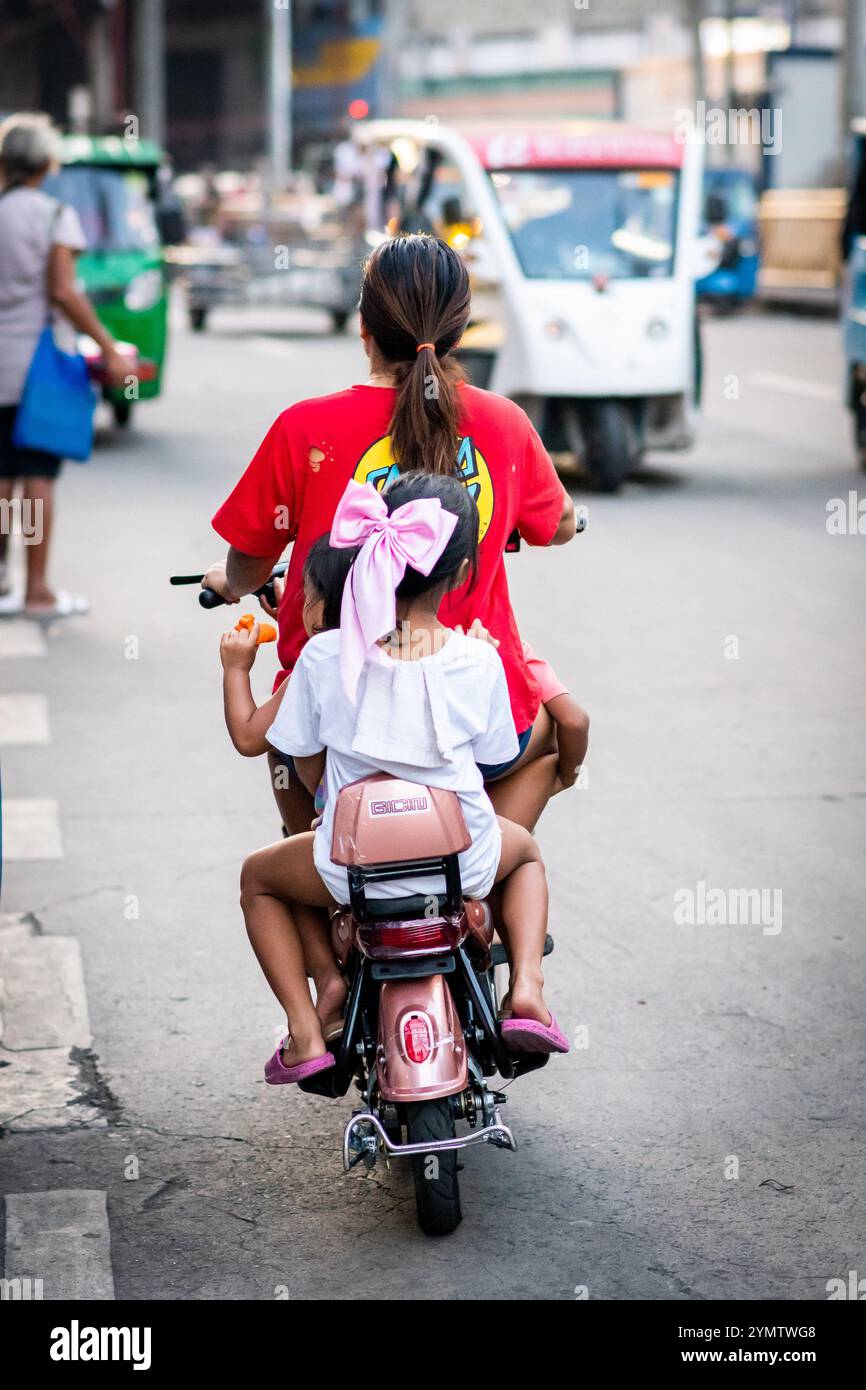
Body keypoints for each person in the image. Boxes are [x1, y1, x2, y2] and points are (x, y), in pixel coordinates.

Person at [204, 233, 582, 837]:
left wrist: (234, 582)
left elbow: (249, 562)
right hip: (480, 724)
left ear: (364, 327)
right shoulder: (505, 424)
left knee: (292, 780)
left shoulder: (304, 427)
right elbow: (557, 523)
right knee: (556, 738)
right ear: (460, 329)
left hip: (341, 726)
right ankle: (488, 874)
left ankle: (328, 894)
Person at [222, 473, 569, 1085]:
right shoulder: (477, 659)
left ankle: (306, 1033)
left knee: (259, 879)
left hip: (354, 872)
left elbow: (282, 746)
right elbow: (491, 755)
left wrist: (235, 668)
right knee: (529, 854)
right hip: (462, 860)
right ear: (461, 575)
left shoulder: (325, 657)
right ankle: (529, 992)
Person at [0, 117, 127, 616]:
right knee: (37, 474)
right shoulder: (54, 216)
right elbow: (63, 291)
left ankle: (2, 584)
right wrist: (109, 347)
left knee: (3, 474)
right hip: (39, 367)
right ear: (48, 164)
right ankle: (36, 591)